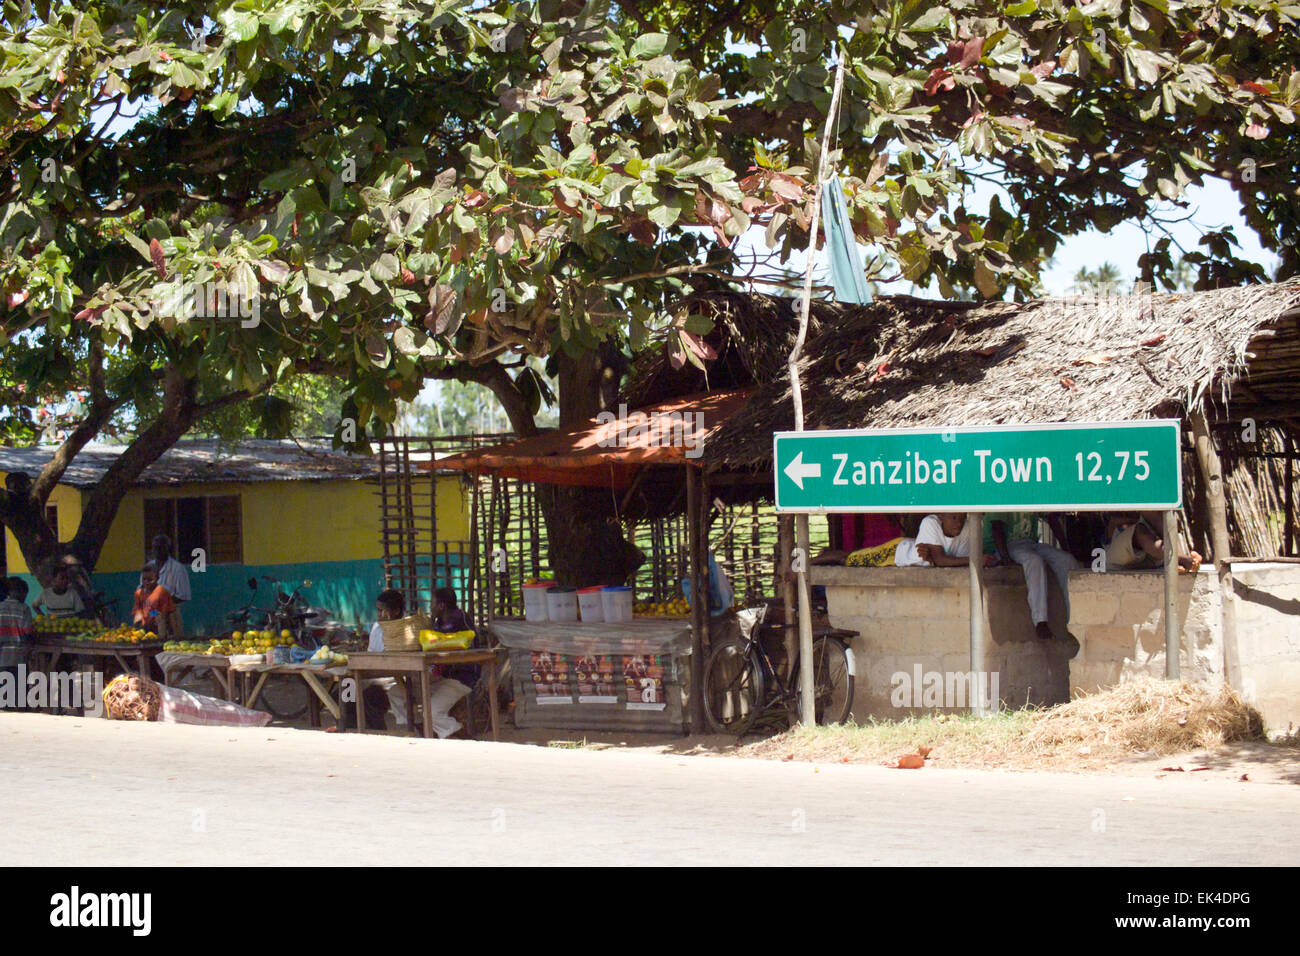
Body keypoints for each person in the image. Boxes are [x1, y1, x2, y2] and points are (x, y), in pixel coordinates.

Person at [989, 514, 1080, 640]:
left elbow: (1051, 518)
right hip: (1008, 545)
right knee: (1034, 561)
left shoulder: (1034, 495)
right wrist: (1006, 558)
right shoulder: (1004, 496)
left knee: (1067, 560)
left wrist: (1066, 549)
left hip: (1031, 544)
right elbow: (996, 528)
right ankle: (1040, 622)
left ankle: (1073, 621)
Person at [1103, 512, 1202, 572]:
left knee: (1165, 520)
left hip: (1150, 559)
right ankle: (1180, 558)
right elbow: (1113, 521)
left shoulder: (1158, 521)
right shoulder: (1118, 531)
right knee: (1140, 531)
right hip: (1117, 563)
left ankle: (1181, 560)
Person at [0, 578, 35, 706]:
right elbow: (27, 630)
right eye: (25, 593)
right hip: (18, 654)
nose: (25, 596)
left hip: (2, 655)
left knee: (4, 684)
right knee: (19, 685)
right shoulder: (24, 609)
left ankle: (4, 706)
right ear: (19, 593)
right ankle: (19, 707)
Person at [132, 562, 182, 639]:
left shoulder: (162, 592)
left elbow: (163, 612)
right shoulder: (139, 593)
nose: (146, 582)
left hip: (159, 624)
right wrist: (139, 615)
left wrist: (148, 615)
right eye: (144, 579)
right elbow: (137, 609)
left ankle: (161, 638)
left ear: (157, 578)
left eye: (150, 580)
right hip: (144, 625)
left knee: (159, 617)